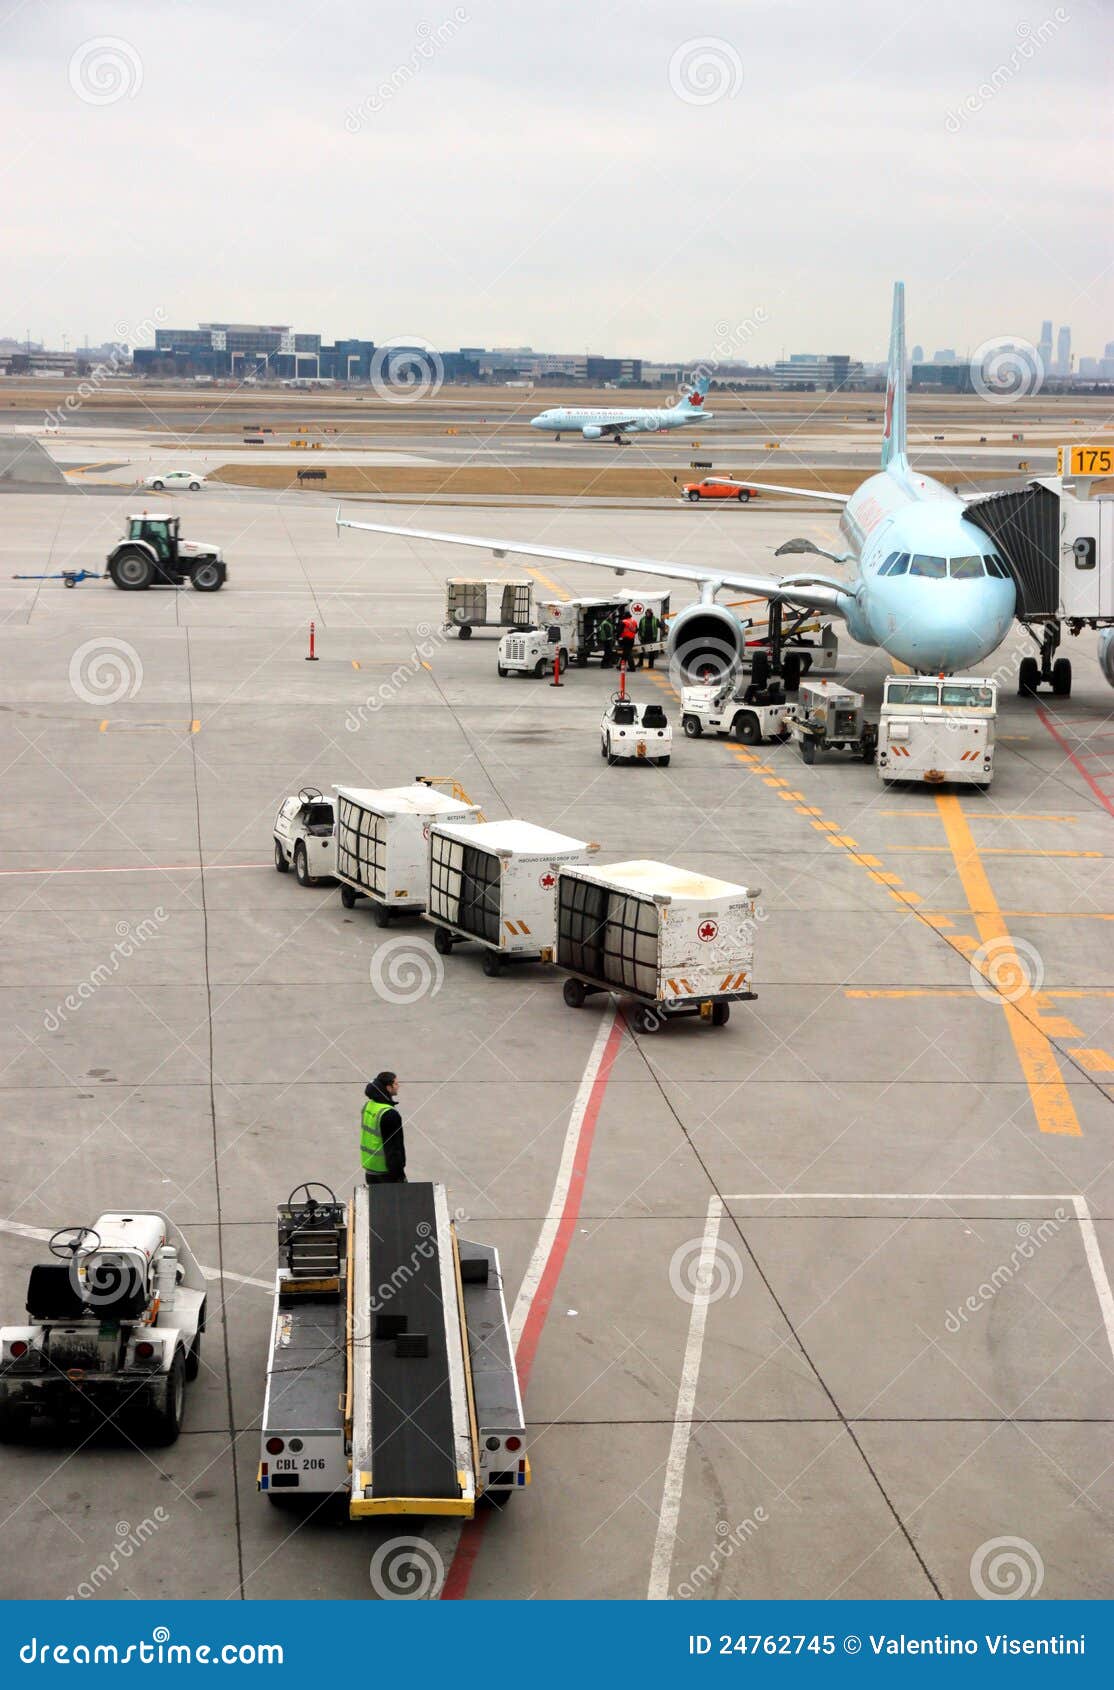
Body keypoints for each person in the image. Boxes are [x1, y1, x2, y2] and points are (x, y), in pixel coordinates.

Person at [361, 1071, 406, 1184]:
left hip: (370, 1169)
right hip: (386, 1174)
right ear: (388, 1088)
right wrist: (399, 1175)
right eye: (396, 1084)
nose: (398, 1086)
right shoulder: (389, 1114)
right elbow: (393, 1149)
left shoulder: (368, 1106)